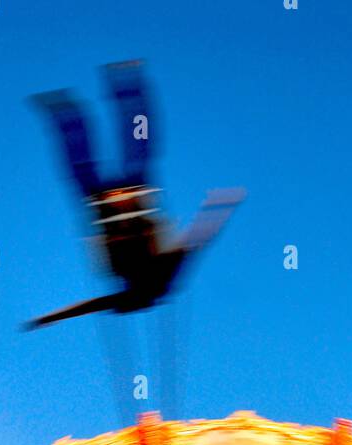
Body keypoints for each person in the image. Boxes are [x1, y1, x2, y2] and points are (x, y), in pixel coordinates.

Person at [27, 62, 242, 328]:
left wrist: (50, 318)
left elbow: (95, 305)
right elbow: (194, 242)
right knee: (124, 153)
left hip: (109, 205)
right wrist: (219, 208)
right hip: (126, 202)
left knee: (109, 157)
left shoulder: (139, 284)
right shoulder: (162, 278)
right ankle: (119, 89)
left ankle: (73, 111)